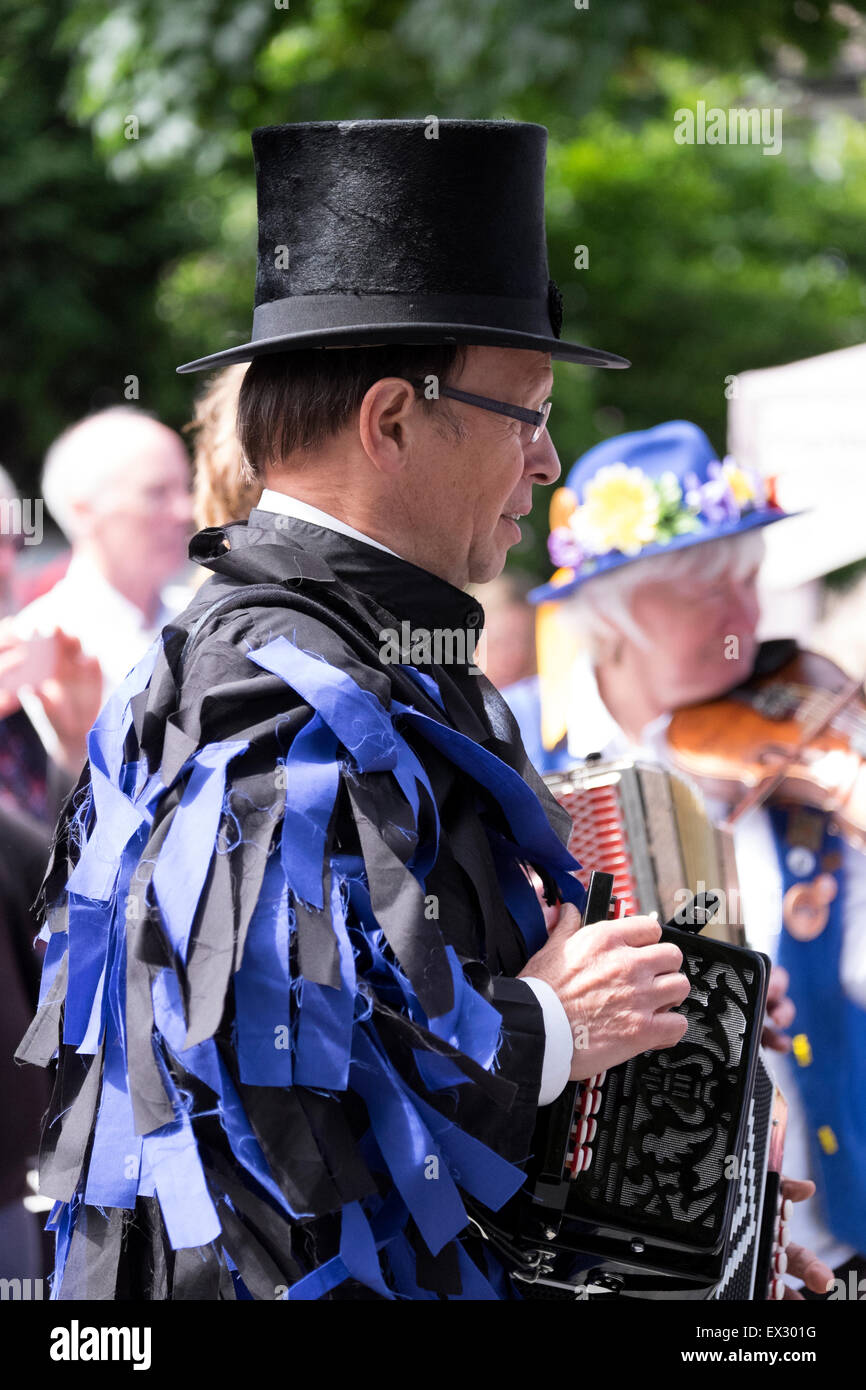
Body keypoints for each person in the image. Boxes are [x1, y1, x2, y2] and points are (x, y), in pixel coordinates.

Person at [511, 419, 865, 1295]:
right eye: (706, 594)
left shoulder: (809, 736)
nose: (746, 619)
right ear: (616, 616)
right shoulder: (510, 750)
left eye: (748, 583)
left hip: (830, 1222)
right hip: (612, 1240)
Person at [12, 407, 195, 770]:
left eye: (186, 488)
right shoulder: (37, 647)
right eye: (156, 492)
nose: (185, 510)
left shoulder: (202, 615)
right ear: (83, 511)